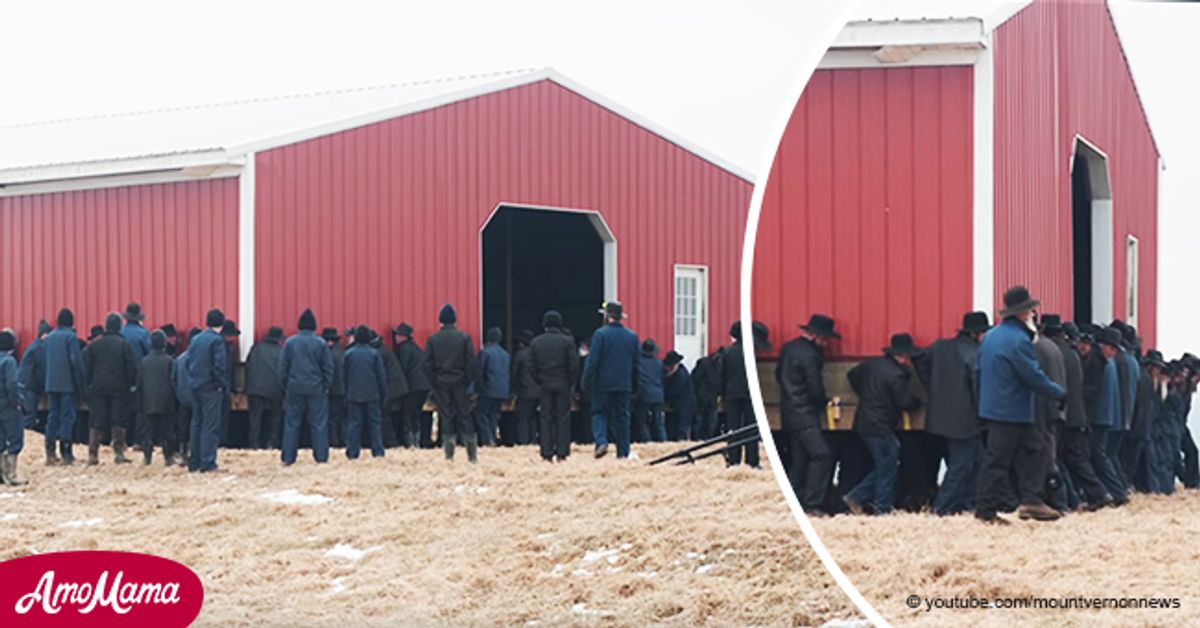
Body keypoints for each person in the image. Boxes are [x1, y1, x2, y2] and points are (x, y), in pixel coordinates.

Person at [973, 286, 1065, 524]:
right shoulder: (1019, 341)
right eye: (1032, 311)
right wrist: (1057, 392)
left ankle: (1028, 501)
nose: (1034, 314)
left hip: (995, 407)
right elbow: (1031, 374)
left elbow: (978, 372)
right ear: (1024, 313)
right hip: (1013, 409)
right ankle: (991, 509)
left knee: (1027, 451)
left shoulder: (991, 336)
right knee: (1010, 458)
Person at [914, 311, 988, 516]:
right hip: (965, 418)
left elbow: (918, 356)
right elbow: (977, 386)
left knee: (978, 459)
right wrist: (983, 413)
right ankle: (944, 506)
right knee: (962, 465)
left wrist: (930, 384)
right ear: (976, 334)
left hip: (939, 415)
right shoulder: (974, 353)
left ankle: (968, 502)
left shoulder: (939, 346)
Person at [843, 333, 922, 515]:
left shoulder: (872, 364)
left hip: (865, 420)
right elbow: (903, 401)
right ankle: (880, 507)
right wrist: (916, 402)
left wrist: (863, 392)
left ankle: (859, 497)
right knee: (888, 467)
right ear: (903, 356)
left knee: (885, 465)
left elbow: (852, 374)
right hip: (881, 425)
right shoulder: (897, 375)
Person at [776, 314, 839, 516]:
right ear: (816, 336)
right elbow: (815, 388)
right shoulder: (811, 356)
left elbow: (779, 375)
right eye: (825, 339)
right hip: (805, 413)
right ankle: (812, 503)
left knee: (800, 460)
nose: (826, 343)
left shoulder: (788, 348)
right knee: (821, 454)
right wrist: (824, 401)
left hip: (789, 411)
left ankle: (793, 501)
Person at [1049, 320, 1112, 510]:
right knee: (1075, 459)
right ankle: (1095, 494)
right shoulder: (1074, 356)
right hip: (1077, 416)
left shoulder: (1059, 354)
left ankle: (1072, 499)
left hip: (1064, 415)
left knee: (1060, 459)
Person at [581, 302, 639, 459]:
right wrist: (636, 386)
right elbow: (636, 365)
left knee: (599, 413)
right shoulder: (632, 337)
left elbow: (592, 362)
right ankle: (623, 452)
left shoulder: (600, 335)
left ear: (607, 316)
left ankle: (601, 442)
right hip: (624, 384)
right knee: (623, 417)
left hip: (603, 383)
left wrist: (586, 382)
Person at [280, 309, 335, 466]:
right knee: (319, 423)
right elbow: (328, 369)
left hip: (294, 387)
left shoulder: (290, 343)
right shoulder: (321, 344)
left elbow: (282, 368)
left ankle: (288, 458)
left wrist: (286, 386)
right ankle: (321, 457)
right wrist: (325, 386)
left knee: (291, 423)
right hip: (316, 388)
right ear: (314, 326)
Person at [424, 304, 478, 463]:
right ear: (455, 319)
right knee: (465, 416)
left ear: (440, 320)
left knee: (446, 417)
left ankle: (449, 456)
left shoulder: (433, 339)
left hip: (441, 383)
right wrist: (466, 380)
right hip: (460, 382)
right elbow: (471, 362)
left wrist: (434, 381)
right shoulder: (464, 338)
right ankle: (472, 456)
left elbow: (427, 365)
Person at [83, 313, 138, 465]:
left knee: (97, 420)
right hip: (119, 388)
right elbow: (131, 368)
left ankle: (93, 454)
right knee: (118, 420)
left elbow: (86, 369)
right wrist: (131, 385)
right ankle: (119, 453)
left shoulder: (94, 345)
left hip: (98, 388)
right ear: (119, 326)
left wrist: (88, 386)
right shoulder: (124, 345)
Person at [530, 310, 579, 462]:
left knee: (545, 418)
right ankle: (562, 452)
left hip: (544, 383)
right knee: (562, 418)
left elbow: (531, 366)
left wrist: (540, 380)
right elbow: (574, 365)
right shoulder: (567, 341)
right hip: (563, 382)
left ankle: (546, 452)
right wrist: (570, 382)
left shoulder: (536, 342)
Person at [1088, 327, 1128, 506]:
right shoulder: (1108, 363)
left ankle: (1116, 493)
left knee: (1098, 456)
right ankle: (1115, 492)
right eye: (1112, 348)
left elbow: (1091, 392)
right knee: (1100, 455)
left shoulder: (1100, 362)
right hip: (1105, 416)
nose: (1112, 353)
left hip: (1098, 417)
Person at [1031, 315, 1068, 510]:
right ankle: (1060, 501)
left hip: (1042, 410)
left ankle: (1059, 501)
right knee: (1050, 457)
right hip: (1054, 409)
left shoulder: (1036, 348)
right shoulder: (1053, 348)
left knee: (1045, 460)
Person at [187, 310, 229, 473]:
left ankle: (194, 461)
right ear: (222, 324)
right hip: (210, 387)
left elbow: (189, 361)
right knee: (210, 425)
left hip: (195, 385)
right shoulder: (217, 341)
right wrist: (221, 384)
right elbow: (220, 366)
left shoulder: (196, 339)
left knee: (196, 423)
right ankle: (208, 462)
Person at [43, 308, 86, 465]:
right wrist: (80, 382)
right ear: (71, 322)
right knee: (67, 417)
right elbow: (75, 362)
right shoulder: (70, 337)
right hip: (67, 383)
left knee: (52, 416)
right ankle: (66, 452)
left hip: (51, 382)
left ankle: (50, 451)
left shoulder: (49, 338)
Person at [343, 326, 388, 459]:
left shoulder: (348, 354)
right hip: (373, 395)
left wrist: (346, 394)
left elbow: (344, 377)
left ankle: (352, 452)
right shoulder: (374, 354)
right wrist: (383, 394)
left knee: (354, 424)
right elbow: (381, 376)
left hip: (354, 394)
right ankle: (378, 451)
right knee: (374, 424)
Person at [136, 331, 178, 465]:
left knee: (148, 431)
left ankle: (147, 457)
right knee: (167, 431)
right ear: (164, 344)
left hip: (147, 402)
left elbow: (139, 384)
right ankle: (168, 457)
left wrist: (139, 403)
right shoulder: (170, 361)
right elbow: (173, 382)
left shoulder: (144, 362)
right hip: (166, 402)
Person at [244, 327, 285, 449]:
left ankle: (253, 444)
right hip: (275, 389)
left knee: (255, 417)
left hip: (255, 388)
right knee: (275, 417)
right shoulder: (281, 351)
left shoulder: (256, 348)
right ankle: (272, 443)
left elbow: (248, 365)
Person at [393, 323, 431, 449]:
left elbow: (403, 369)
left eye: (398, 335)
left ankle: (409, 442)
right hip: (424, 386)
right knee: (416, 414)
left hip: (412, 386)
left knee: (407, 414)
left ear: (403, 337)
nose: (396, 338)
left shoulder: (403, 349)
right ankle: (417, 440)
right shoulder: (415, 348)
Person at [368, 331, 408, 449]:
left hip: (391, 388)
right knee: (390, 417)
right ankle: (394, 442)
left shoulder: (378, 353)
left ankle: (391, 442)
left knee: (384, 417)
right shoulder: (383, 350)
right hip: (397, 387)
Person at [475, 327, 510, 447]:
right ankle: (493, 437)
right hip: (502, 390)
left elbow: (479, 372)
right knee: (494, 415)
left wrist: (478, 389)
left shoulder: (485, 352)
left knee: (481, 413)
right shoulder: (506, 354)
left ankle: (487, 438)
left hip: (488, 389)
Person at [0, 329, 27, 485]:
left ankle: (1, 474)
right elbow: (12, 384)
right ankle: (11, 475)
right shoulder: (9, 362)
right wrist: (18, 402)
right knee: (15, 439)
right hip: (8, 406)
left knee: (0, 440)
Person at [172, 328, 200, 465]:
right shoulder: (200, 359)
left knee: (183, 425)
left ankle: (183, 451)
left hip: (182, 397)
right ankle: (194, 452)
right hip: (197, 397)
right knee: (197, 425)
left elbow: (173, 379)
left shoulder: (179, 359)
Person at [16, 320, 50, 435]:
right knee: (29, 416)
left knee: (27, 415)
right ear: (45, 334)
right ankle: (23, 439)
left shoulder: (34, 346)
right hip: (29, 387)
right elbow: (43, 370)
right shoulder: (40, 348)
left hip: (24, 385)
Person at [509, 330, 539, 446]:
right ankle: (533, 439)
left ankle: (523, 441)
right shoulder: (537, 354)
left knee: (522, 417)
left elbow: (514, 373)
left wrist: (512, 389)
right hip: (538, 391)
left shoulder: (520, 354)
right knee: (532, 417)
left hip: (525, 391)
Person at [634, 339, 665, 443]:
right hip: (658, 395)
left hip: (644, 394)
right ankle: (663, 441)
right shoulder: (659, 363)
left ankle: (647, 440)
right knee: (658, 421)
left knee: (642, 420)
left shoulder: (639, 363)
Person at [663, 350, 697, 441]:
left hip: (685, 404)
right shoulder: (680, 372)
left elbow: (674, 391)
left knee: (682, 427)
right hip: (681, 403)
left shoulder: (681, 375)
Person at [322, 328, 347, 449]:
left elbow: (328, 373)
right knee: (344, 418)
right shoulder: (343, 352)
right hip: (346, 390)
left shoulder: (328, 354)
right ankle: (345, 441)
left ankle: (334, 441)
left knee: (332, 418)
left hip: (334, 390)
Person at [691, 349, 722, 441]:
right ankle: (699, 438)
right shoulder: (705, 363)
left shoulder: (706, 363)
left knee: (709, 420)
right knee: (702, 419)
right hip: (703, 395)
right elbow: (695, 379)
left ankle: (706, 438)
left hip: (710, 396)